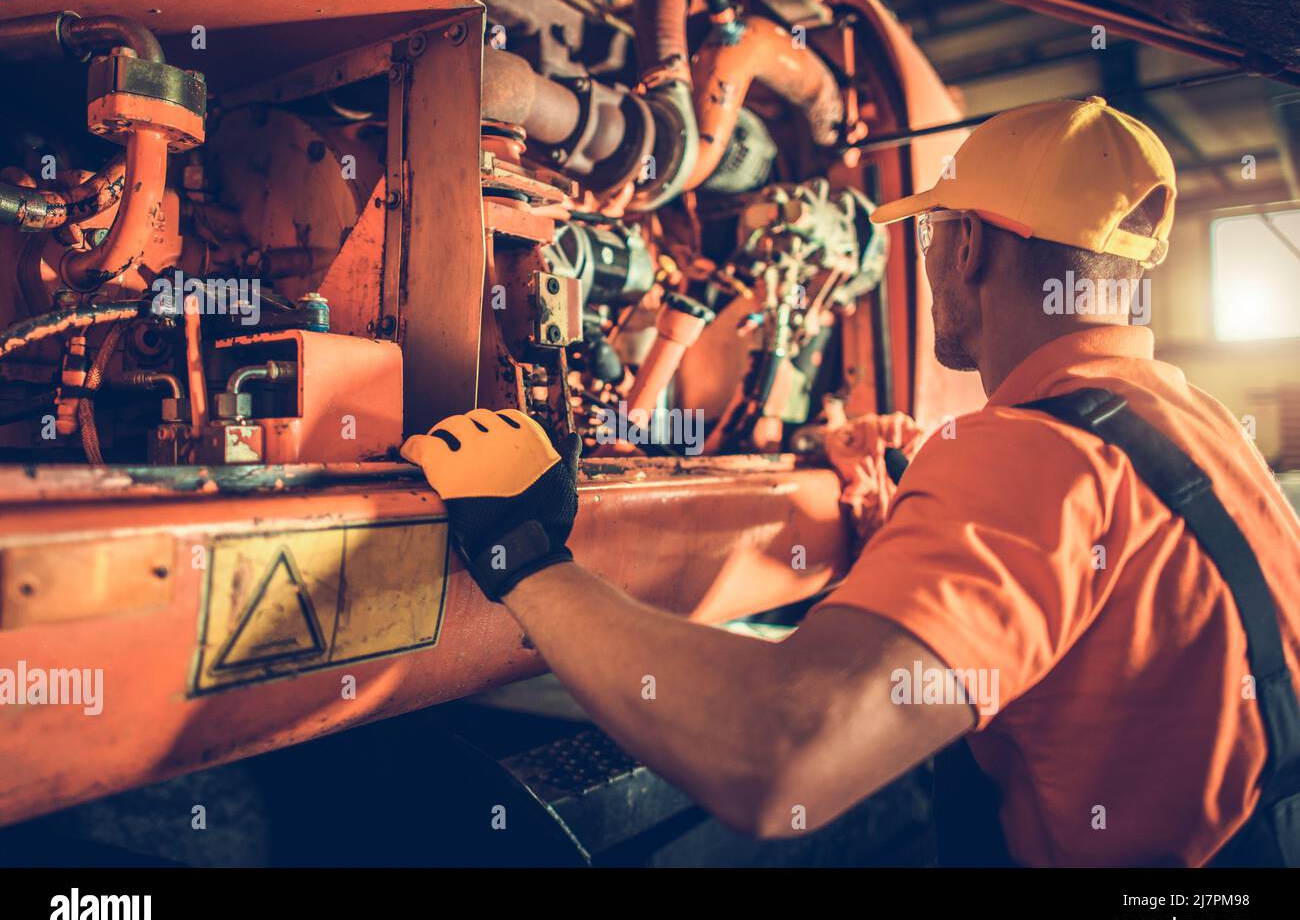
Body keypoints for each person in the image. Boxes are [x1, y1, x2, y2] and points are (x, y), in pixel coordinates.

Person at [402, 97, 1300, 866]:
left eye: (933, 232)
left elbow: (780, 753)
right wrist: (903, 515)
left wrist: (525, 553)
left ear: (970, 249)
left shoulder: (1030, 456)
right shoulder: (1193, 422)